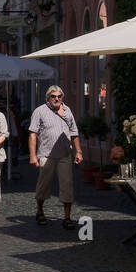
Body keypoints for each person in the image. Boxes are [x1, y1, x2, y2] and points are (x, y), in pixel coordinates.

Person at [29, 85, 83, 229]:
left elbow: (74, 132)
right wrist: (33, 155)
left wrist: (78, 151)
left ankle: (67, 217)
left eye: (59, 96)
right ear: (48, 97)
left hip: (65, 155)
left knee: (67, 185)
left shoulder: (67, 110)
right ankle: (40, 211)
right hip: (46, 155)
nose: (57, 99)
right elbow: (33, 134)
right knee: (43, 185)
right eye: (53, 96)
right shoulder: (39, 111)